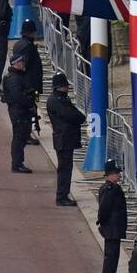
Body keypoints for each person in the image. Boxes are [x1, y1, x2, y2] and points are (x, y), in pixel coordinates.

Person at [46, 73, 84, 206]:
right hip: (64, 139)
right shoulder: (58, 101)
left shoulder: (57, 99)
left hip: (64, 138)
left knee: (66, 168)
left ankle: (63, 194)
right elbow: (74, 115)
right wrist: (80, 117)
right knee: (65, 169)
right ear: (60, 87)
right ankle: (62, 196)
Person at [96, 159, 127, 273]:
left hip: (113, 227)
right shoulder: (110, 189)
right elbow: (104, 209)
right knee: (111, 256)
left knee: (113, 256)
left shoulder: (112, 187)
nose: (119, 175)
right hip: (112, 228)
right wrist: (102, 222)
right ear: (109, 174)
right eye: (116, 173)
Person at [3, 55, 35, 173]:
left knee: (21, 137)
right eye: (21, 62)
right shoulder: (14, 79)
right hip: (19, 111)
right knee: (18, 138)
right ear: (16, 63)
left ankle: (18, 163)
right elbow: (18, 97)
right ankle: (17, 164)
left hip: (21, 111)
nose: (23, 63)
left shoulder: (18, 76)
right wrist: (30, 101)